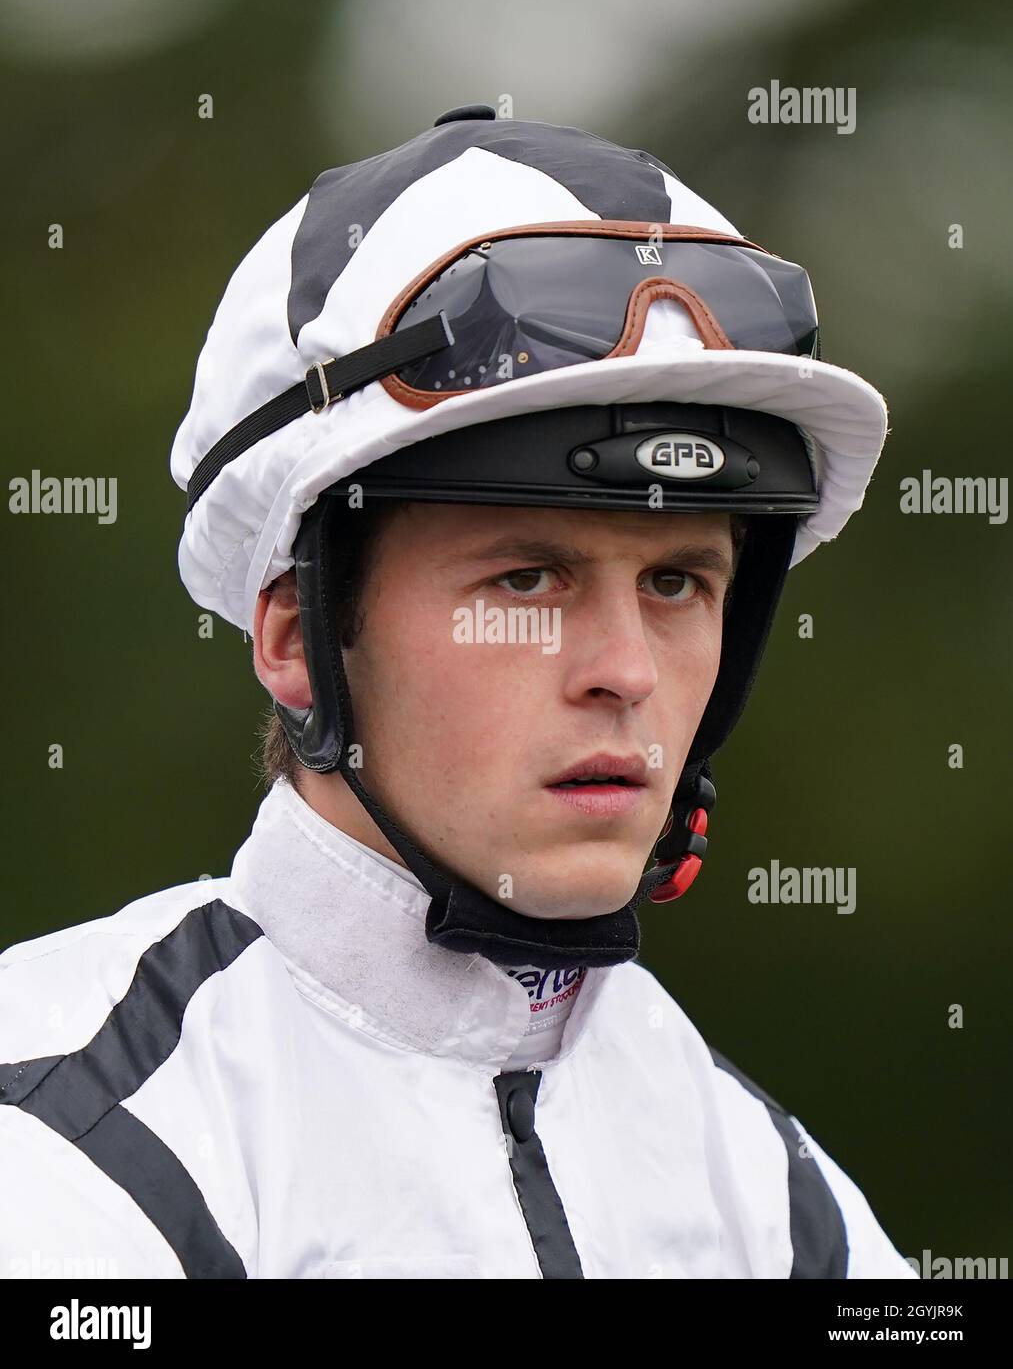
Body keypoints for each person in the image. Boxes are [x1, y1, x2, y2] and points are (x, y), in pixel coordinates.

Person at [0, 106, 917, 1279]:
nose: (625, 672)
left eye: (679, 581)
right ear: (297, 634)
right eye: (527, 578)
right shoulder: (57, 1145)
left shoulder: (769, 1185)